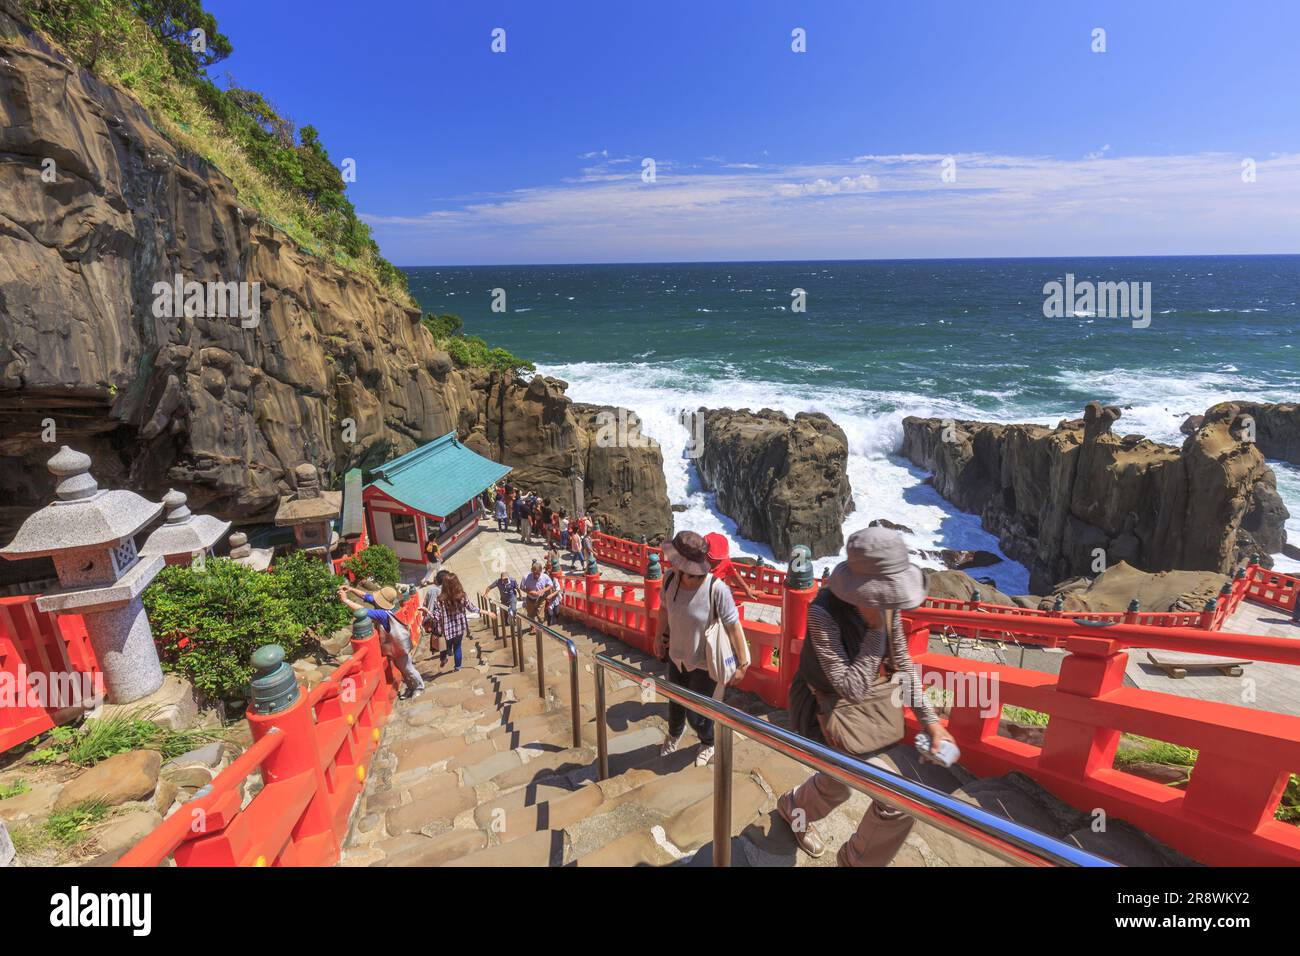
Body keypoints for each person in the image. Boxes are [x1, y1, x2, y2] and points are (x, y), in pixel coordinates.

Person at [776, 527, 956, 867]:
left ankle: (793, 808)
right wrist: (875, 632)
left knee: (837, 781)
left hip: (863, 709)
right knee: (897, 801)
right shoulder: (823, 612)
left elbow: (902, 662)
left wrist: (930, 722)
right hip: (823, 706)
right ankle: (855, 861)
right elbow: (851, 687)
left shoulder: (886, 607)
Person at [655, 531, 751, 767]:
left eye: (674, 559)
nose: (670, 563)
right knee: (675, 704)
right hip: (676, 657)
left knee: (697, 715)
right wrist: (658, 637)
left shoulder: (716, 589)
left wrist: (743, 663)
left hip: (703, 663)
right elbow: (664, 610)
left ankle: (708, 742)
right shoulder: (669, 579)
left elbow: (733, 626)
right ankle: (674, 735)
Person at [338, 584, 425, 699]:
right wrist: (351, 589)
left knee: (408, 668)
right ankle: (411, 687)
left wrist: (345, 600)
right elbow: (366, 596)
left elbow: (362, 610)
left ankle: (419, 687)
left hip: (398, 647)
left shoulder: (383, 614)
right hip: (397, 645)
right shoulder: (389, 607)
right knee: (403, 668)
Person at [426, 571, 476, 671]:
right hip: (459, 628)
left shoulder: (439, 598)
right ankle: (458, 667)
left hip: (445, 630)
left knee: (443, 645)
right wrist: (486, 612)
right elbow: (472, 608)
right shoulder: (461, 595)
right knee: (457, 647)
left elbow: (436, 616)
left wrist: (427, 613)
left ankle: (444, 658)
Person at [704, 532, 759, 604]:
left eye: (719, 560)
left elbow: (732, 573)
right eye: (713, 559)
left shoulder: (724, 561)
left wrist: (747, 589)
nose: (717, 563)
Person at [521, 559, 554, 625]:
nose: (536, 576)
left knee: (541, 617)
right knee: (530, 615)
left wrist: (542, 590)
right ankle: (533, 627)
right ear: (532, 571)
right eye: (535, 574)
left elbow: (551, 585)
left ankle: (540, 627)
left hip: (541, 599)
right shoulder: (526, 577)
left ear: (541, 571)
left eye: (538, 574)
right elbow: (522, 587)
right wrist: (530, 592)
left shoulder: (545, 577)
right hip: (530, 599)